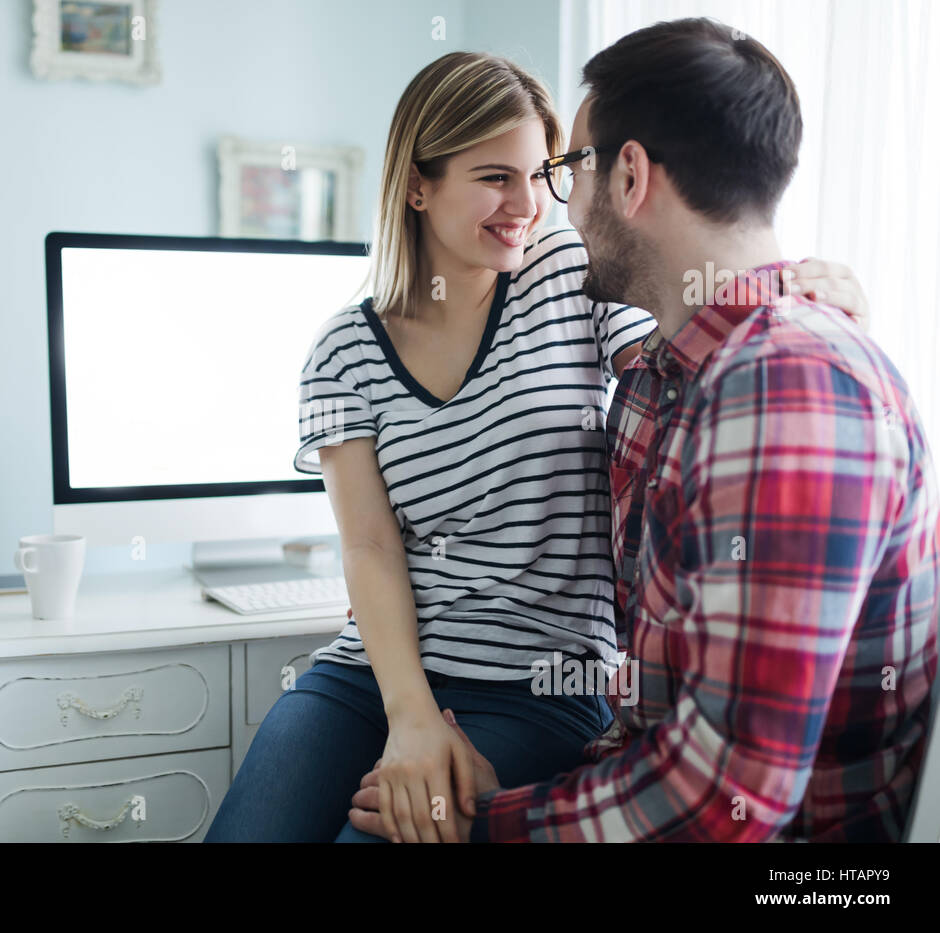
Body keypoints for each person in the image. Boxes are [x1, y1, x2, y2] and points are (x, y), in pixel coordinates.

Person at [205, 49, 865, 844]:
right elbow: (372, 547)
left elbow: (685, 353)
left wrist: (794, 292)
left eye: (538, 174)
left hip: (543, 685)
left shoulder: (569, 272)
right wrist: (410, 714)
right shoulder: (343, 351)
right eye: (494, 177)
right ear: (417, 184)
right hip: (377, 677)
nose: (526, 203)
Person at [348, 17, 939, 843]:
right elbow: (651, 728)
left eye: (564, 171)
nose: (551, 207)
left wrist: (488, 821)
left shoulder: (789, 386)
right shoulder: (657, 381)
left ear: (628, 175)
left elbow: (722, 801)